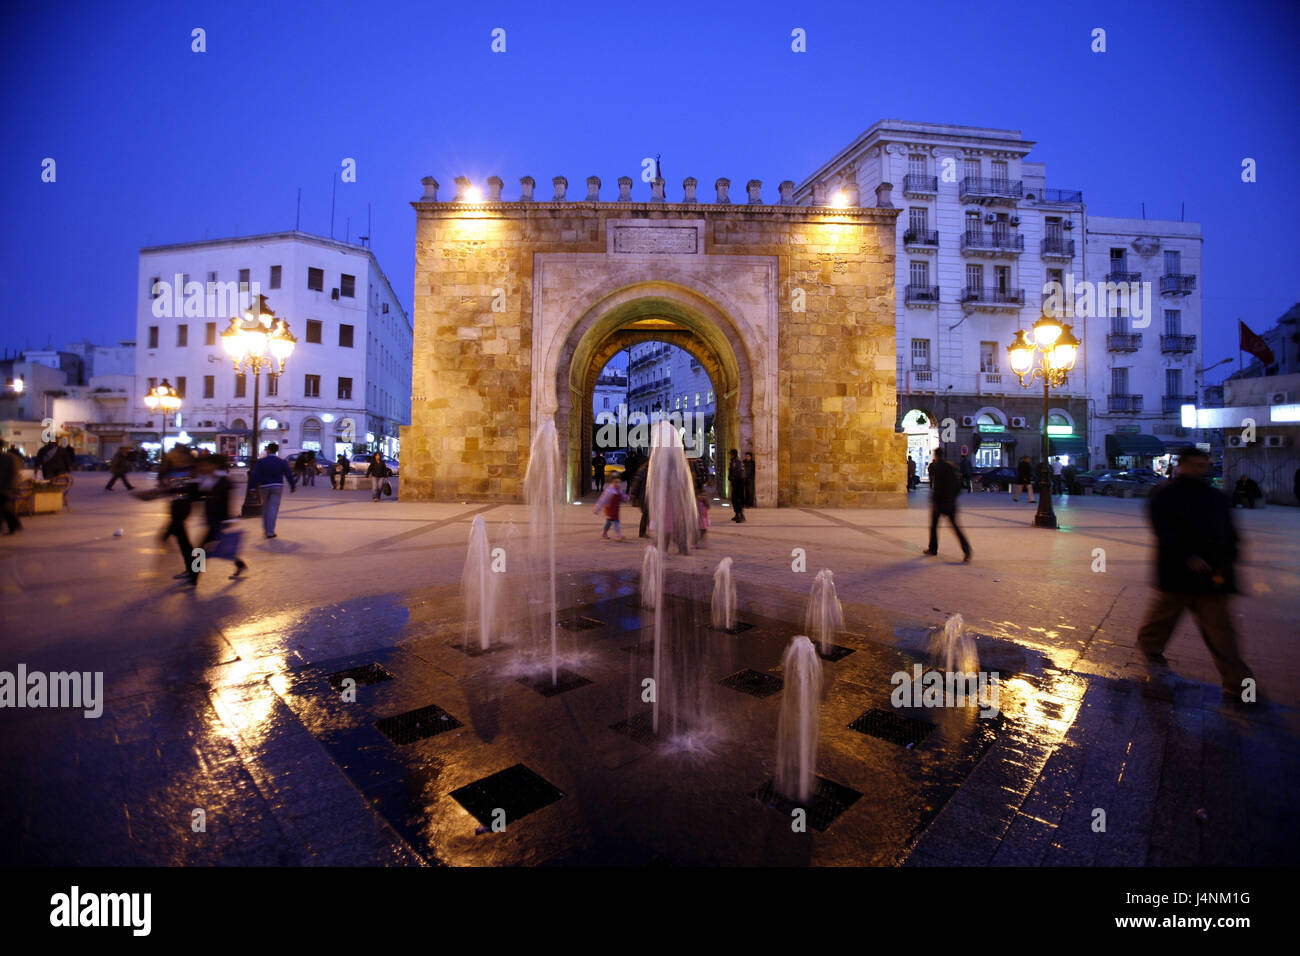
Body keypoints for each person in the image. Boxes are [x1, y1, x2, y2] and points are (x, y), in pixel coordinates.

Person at [1137, 447, 1255, 703]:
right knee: (1161, 619)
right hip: (1179, 572)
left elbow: (1229, 531)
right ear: (1181, 465)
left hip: (1212, 576)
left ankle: (1239, 686)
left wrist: (1229, 560)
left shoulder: (1215, 496)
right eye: (1195, 465)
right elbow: (1163, 530)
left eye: (1204, 465)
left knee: (1221, 633)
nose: (1200, 470)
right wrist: (1187, 555)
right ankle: (1150, 649)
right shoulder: (1164, 494)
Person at [196, 454, 248, 579]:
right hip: (212, 519)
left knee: (202, 549)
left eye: (207, 464)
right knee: (221, 548)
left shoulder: (223, 480)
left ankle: (192, 577)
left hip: (219, 520)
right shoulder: (211, 478)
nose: (204, 466)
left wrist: (228, 519)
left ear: (215, 465)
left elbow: (228, 501)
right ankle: (239, 564)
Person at [923, 448, 971, 562]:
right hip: (950, 503)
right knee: (955, 528)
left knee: (934, 527)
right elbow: (958, 485)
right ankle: (967, 550)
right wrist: (953, 497)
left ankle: (933, 549)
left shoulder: (938, 467)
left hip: (940, 503)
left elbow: (937, 487)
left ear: (936, 455)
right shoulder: (951, 467)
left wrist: (934, 501)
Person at [250, 442, 296, 537]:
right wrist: (292, 486)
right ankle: (270, 532)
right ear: (276, 450)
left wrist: (253, 487)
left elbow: (255, 474)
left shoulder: (261, 462)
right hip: (277, 486)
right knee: (273, 509)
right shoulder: (282, 462)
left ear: (268, 450)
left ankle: (266, 530)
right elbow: (288, 474)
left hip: (264, 486)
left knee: (265, 508)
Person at [594, 473, 627, 541]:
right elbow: (602, 500)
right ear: (612, 482)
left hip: (615, 509)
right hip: (610, 509)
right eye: (616, 482)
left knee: (609, 522)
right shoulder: (609, 491)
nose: (617, 484)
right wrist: (597, 509)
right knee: (615, 522)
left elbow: (622, 496)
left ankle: (604, 533)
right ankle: (619, 535)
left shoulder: (619, 490)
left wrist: (626, 498)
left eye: (619, 482)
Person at [0, 442, 24, 535]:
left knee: (4, 507)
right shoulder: (7, 458)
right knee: (5, 507)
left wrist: (12, 487)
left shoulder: (9, 458)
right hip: (4, 487)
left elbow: (13, 474)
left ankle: (14, 525)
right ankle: (14, 525)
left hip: (6, 488)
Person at [631, 458, 650, 538]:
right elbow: (636, 483)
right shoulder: (643, 471)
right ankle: (642, 532)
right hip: (644, 495)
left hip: (647, 495)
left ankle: (644, 530)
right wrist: (633, 494)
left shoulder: (647, 471)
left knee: (647, 513)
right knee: (646, 513)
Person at [727, 449, 746, 522]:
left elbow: (736, 474)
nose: (730, 456)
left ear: (733, 454)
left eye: (730, 454)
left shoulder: (735, 462)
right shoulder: (738, 461)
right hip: (739, 483)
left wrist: (732, 478)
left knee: (736, 499)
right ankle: (738, 514)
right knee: (737, 499)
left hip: (737, 484)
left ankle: (740, 515)